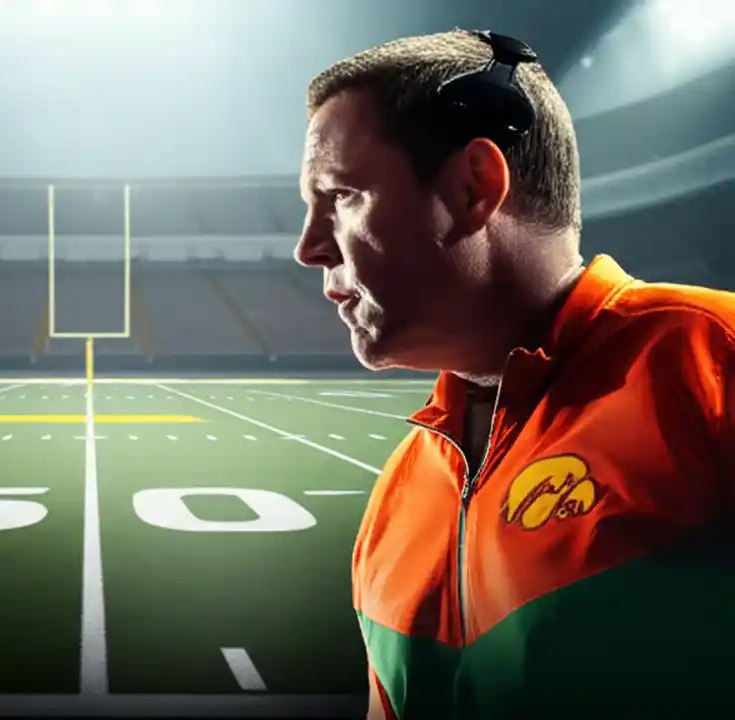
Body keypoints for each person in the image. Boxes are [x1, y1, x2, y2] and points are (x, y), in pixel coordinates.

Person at [294, 29, 733, 719]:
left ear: (475, 187)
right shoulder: (401, 494)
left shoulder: (713, 361)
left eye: (341, 194)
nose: (308, 246)